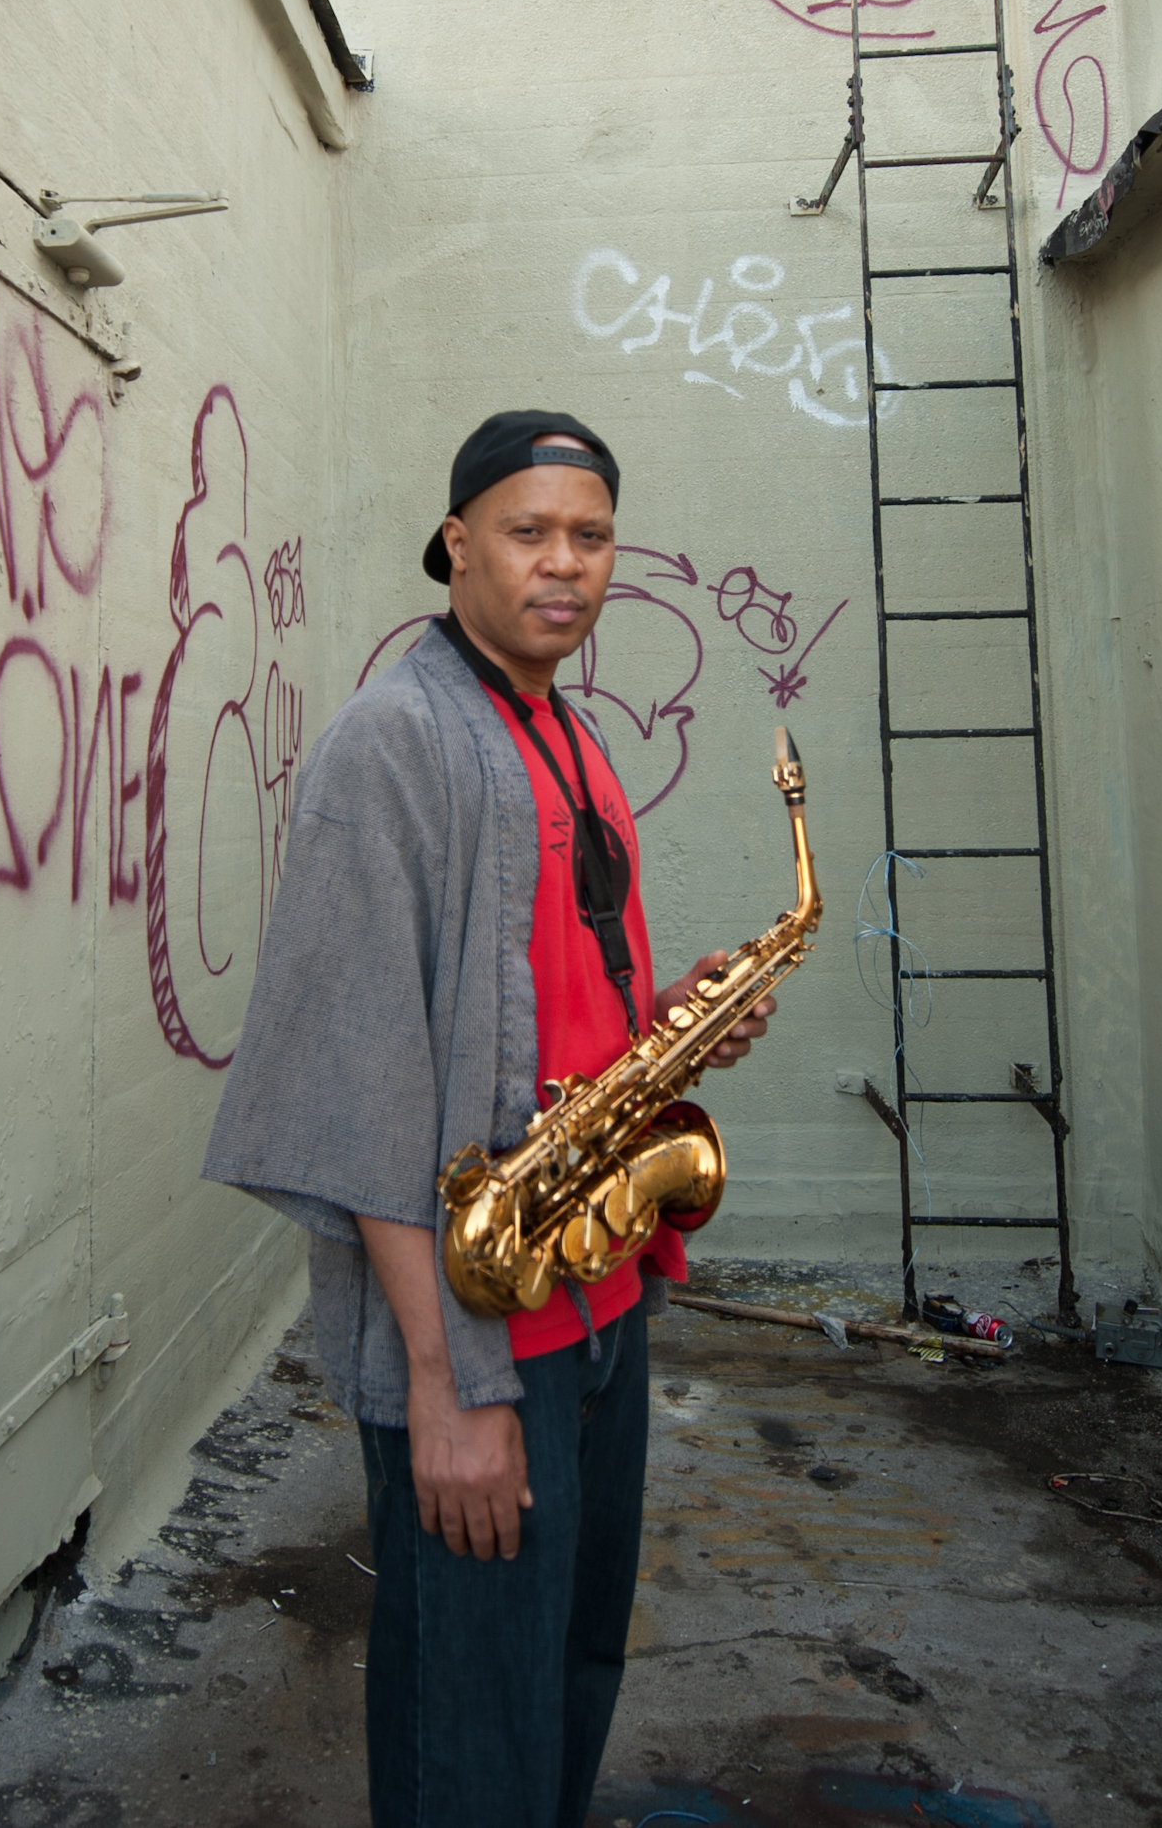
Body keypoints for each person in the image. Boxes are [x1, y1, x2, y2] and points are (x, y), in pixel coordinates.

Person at [204, 409, 775, 1828]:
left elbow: (553, 1010)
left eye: (590, 536)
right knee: (471, 1721)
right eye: (529, 532)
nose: (563, 565)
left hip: (601, 1308)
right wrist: (446, 1393)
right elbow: (356, 1091)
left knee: (567, 1673)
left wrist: (674, 1022)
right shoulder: (390, 746)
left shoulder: (567, 733)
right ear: (457, 545)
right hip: (480, 1338)